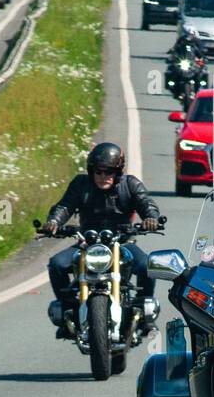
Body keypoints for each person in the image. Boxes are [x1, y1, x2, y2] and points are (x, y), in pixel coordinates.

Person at [43, 142, 161, 338]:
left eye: (109, 171)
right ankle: (68, 311)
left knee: (147, 265)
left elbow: (147, 204)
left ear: (118, 172)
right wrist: (54, 221)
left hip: (122, 243)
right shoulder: (81, 184)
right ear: (92, 171)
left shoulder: (130, 184)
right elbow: (65, 206)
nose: (103, 176)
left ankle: (144, 314)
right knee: (57, 264)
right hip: (86, 243)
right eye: (99, 171)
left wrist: (151, 219)